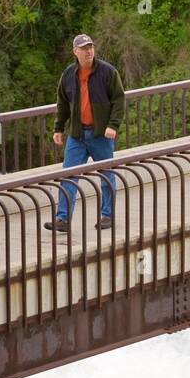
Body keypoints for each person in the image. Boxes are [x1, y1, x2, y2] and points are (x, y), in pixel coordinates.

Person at [45, 33, 125, 233]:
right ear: (75, 52)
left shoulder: (108, 72)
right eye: (84, 48)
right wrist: (58, 128)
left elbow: (119, 100)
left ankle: (107, 216)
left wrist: (113, 126)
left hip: (100, 135)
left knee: (107, 175)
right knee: (68, 176)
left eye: (90, 47)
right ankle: (62, 219)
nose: (89, 51)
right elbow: (62, 103)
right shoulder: (68, 75)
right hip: (77, 135)